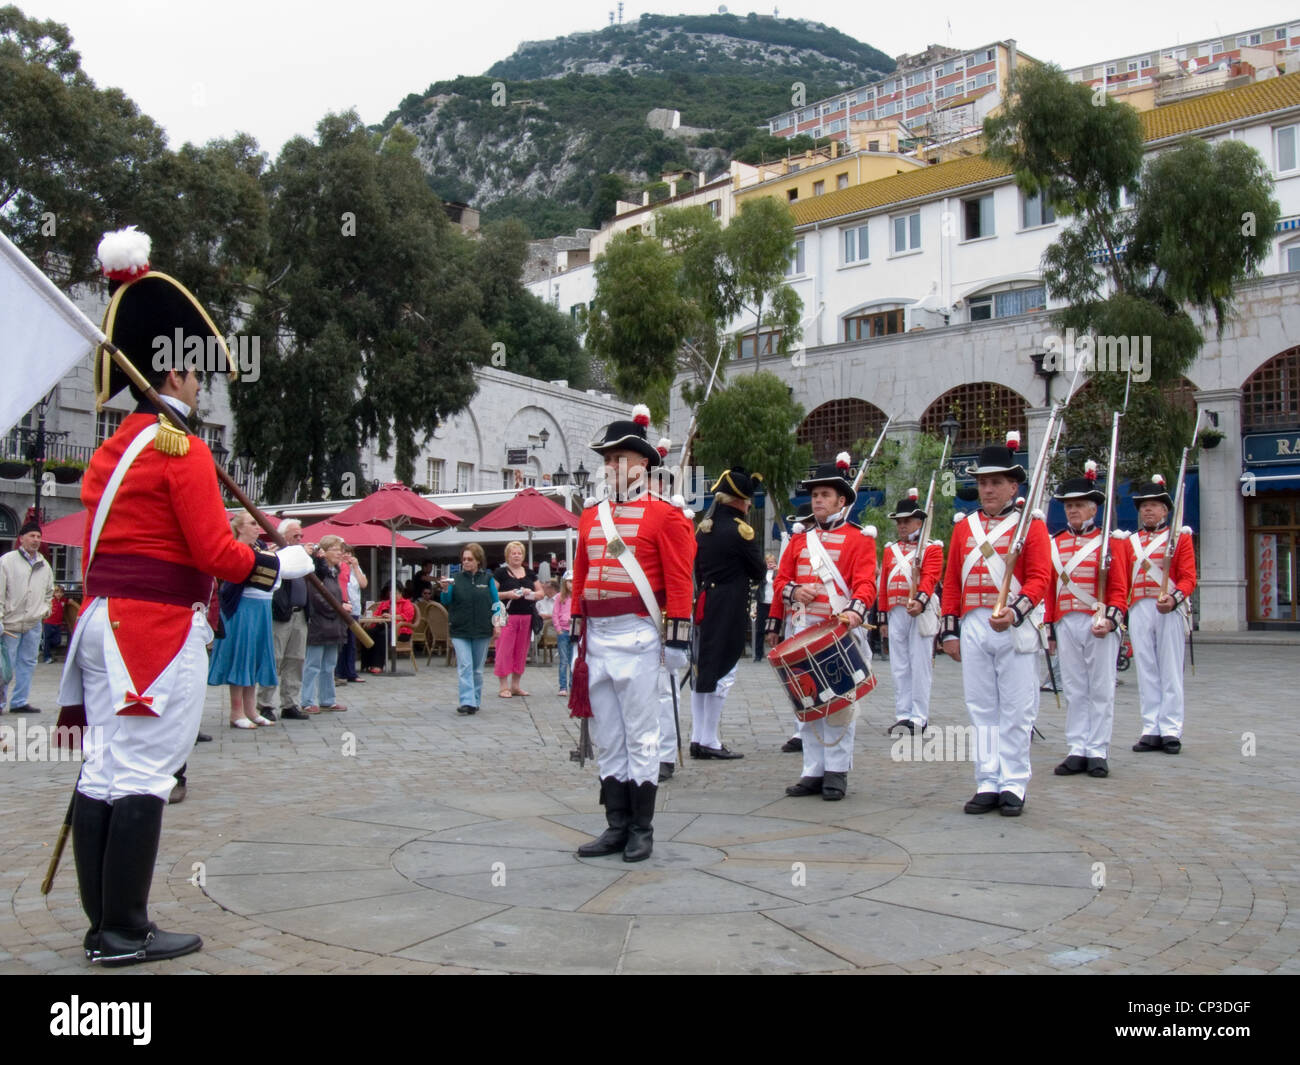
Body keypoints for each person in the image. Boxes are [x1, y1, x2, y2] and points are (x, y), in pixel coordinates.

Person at [60, 225, 314, 966]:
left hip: (104, 623)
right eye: (196, 373)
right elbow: (213, 553)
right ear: (170, 374)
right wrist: (280, 564)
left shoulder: (113, 448)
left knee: (103, 767)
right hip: (154, 629)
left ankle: (101, 921)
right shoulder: (181, 450)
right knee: (141, 770)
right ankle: (125, 929)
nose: (202, 384)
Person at [571, 406, 695, 861]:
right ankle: (615, 825)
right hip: (598, 637)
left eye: (618, 458)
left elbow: (680, 580)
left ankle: (642, 828)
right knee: (609, 735)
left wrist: (679, 639)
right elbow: (581, 575)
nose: (610, 466)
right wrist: (577, 633)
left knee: (642, 734)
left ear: (642, 464)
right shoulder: (590, 516)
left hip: (640, 635)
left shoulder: (665, 516)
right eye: (607, 459)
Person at [939, 432, 1051, 818]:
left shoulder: (1030, 526)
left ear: (1012, 486)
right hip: (973, 623)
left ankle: (1014, 782)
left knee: (1017, 709)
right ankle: (987, 780)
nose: (987, 489)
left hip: (1013, 626)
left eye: (995, 482)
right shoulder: (963, 528)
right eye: (983, 483)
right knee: (981, 708)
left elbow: (1040, 577)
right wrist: (949, 630)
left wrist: (1016, 611)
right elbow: (951, 581)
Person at [765, 454, 877, 801]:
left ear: (841, 501)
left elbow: (866, 585)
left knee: (840, 704)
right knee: (808, 702)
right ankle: (812, 770)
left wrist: (855, 613)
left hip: (838, 631)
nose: (818, 501)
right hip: (802, 630)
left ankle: (837, 771)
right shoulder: (799, 540)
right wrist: (794, 591)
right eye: (814, 496)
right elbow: (781, 580)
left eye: (825, 495)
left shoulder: (860, 539)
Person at [1046, 461, 1129, 778]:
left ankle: (1098, 750)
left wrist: (1111, 617)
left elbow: (1120, 589)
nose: (1073, 510)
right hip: (1067, 622)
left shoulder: (1111, 543)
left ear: (1093, 508)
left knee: (1101, 687)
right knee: (1074, 687)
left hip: (1098, 621)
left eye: (1079, 505)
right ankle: (1077, 747)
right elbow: (1052, 589)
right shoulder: (1055, 543)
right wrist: (1051, 629)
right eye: (1068, 505)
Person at [691, 467, 765, 760]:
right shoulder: (740, 530)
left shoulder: (703, 528)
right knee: (724, 671)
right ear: (740, 501)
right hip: (730, 602)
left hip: (706, 600)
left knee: (704, 669)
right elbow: (758, 569)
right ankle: (709, 740)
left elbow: (696, 568)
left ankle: (699, 736)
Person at [1126, 474, 1197, 754]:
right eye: (1143, 506)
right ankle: (1150, 728)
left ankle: (1170, 728)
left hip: (1168, 607)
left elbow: (1189, 577)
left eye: (1154, 505)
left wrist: (1175, 598)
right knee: (1146, 670)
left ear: (1165, 510)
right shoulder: (1130, 542)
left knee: (1169, 670)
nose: (1148, 510)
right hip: (1140, 607)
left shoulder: (1178, 539)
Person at [879, 489, 944, 735]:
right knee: (899, 666)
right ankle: (903, 713)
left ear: (919, 522)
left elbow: (931, 577)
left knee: (919, 664)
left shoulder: (931, 549)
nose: (902, 526)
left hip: (919, 610)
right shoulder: (890, 550)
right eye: (899, 522)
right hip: (897, 612)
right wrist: (883, 616)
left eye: (907, 521)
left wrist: (920, 600)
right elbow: (883, 585)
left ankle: (919, 716)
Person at [207, 512, 278, 729]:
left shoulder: (259, 548)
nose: (258, 528)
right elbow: (231, 577)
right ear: (239, 528)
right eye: (252, 524)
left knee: (255, 655)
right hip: (241, 607)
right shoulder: (234, 548)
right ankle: (236, 711)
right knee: (241, 655)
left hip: (262, 606)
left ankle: (251, 709)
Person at [258, 518, 311, 720]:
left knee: (296, 659)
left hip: (301, 613)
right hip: (280, 613)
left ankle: (290, 703)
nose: (299, 539)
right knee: (275, 658)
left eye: (300, 535)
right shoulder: (276, 556)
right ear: (283, 536)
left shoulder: (303, 557)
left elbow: (319, 573)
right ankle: (265, 703)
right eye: (295, 535)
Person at [1, 519, 54, 713]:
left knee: (29, 662)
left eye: (39, 536)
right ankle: (0, 702)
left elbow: (49, 591)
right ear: (21, 538)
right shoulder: (7, 561)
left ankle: (19, 701)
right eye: (32, 536)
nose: (36, 540)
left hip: (33, 622)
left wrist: (45, 609)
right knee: (4, 665)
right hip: (10, 623)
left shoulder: (44, 565)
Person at [440, 543, 499, 714]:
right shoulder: (455, 579)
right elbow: (446, 601)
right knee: (465, 665)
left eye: (470, 559)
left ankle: (476, 699)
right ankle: (467, 701)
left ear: (478, 561)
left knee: (477, 669)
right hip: (460, 628)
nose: (466, 562)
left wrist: (497, 624)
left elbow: (496, 602)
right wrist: (445, 590)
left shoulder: (487, 579)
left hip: (482, 628)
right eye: (464, 559)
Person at [301, 536, 349, 713]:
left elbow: (335, 594)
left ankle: (328, 699)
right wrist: (338, 608)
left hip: (334, 624)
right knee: (313, 664)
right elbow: (317, 596)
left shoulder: (334, 572)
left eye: (340, 550)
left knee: (329, 664)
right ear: (325, 551)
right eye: (336, 550)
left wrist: (343, 604)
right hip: (319, 623)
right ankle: (307, 700)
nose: (340, 553)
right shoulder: (317, 571)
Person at [493, 541, 542, 698]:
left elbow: (541, 593)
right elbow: (491, 594)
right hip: (507, 616)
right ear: (508, 555)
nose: (516, 555)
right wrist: (508, 594)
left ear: (523, 556)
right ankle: (503, 686)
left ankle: (515, 685)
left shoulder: (529, 573)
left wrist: (530, 593)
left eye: (519, 553)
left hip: (526, 617)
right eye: (513, 553)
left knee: (521, 651)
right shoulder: (500, 573)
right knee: (504, 651)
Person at [360, 581, 416, 675]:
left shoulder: (407, 604)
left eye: (395, 593)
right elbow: (376, 615)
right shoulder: (385, 604)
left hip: (400, 630)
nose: (392, 595)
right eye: (391, 593)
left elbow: (406, 617)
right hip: (384, 626)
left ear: (401, 593)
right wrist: (380, 618)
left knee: (383, 636)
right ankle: (366, 663)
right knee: (369, 633)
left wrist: (391, 616)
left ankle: (378, 665)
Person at [335, 547, 368, 685]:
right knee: (341, 641)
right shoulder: (337, 568)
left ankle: (351, 672)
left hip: (354, 609)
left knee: (351, 642)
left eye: (349, 553)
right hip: (341, 608)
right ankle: (339, 672)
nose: (347, 556)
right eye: (344, 553)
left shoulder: (356, 568)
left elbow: (363, 584)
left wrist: (355, 566)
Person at [553, 576, 573, 696]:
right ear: (565, 583)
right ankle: (563, 686)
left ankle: (572, 686)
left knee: (573, 660)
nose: (571, 584)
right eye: (569, 582)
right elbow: (555, 613)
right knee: (564, 661)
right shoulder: (560, 597)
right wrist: (558, 629)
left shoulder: (578, 596)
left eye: (574, 582)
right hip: (563, 631)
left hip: (575, 631)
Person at [754, 553, 776, 662]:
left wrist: (777, 571)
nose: (770, 564)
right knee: (760, 629)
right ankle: (758, 654)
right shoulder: (762, 573)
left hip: (774, 603)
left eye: (772, 562)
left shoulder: (777, 572)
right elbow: (756, 581)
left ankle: (774, 653)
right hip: (763, 602)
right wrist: (763, 570)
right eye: (768, 562)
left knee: (774, 629)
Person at [42, 584, 68, 664]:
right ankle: (47, 657)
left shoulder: (64, 600)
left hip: (57, 624)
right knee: (47, 639)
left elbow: (70, 602)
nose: (59, 594)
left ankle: (45, 645)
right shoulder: (51, 600)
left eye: (61, 592)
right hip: (48, 623)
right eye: (56, 592)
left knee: (57, 641)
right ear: (53, 593)